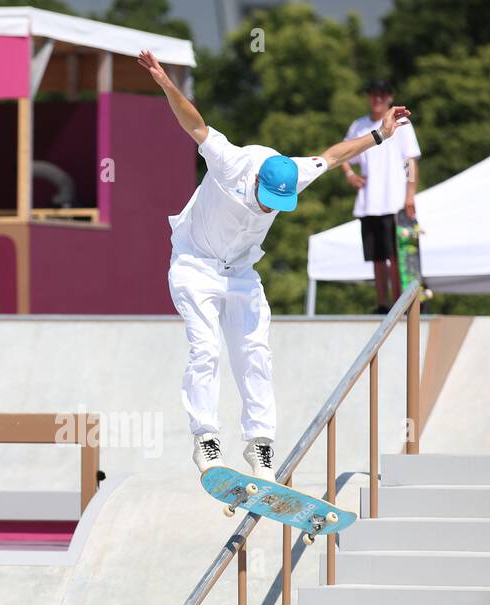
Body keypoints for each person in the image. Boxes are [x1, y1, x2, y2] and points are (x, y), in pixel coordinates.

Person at [137, 50, 411, 480]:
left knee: (256, 354)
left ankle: (260, 444)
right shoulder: (229, 162)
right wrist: (167, 84)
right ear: (257, 182)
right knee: (207, 349)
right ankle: (206, 438)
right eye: (269, 200)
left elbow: (334, 156)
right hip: (195, 265)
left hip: (241, 272)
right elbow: (195, 124)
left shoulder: (293, 172)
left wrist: (380, 135)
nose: (271, 209)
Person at [342, 79, 421, 313]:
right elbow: (344, 153)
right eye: (373, 95)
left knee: (397, 256)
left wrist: (410, 195)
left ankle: (401, 302)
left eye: (382, 95)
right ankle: (383, 304)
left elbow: (410, 161)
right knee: (377, 258)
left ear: (389, 98)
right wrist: (349, 175)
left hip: (394, 199)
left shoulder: (401, 123)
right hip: (369, 201)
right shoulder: (358, 125)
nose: (377, 99)